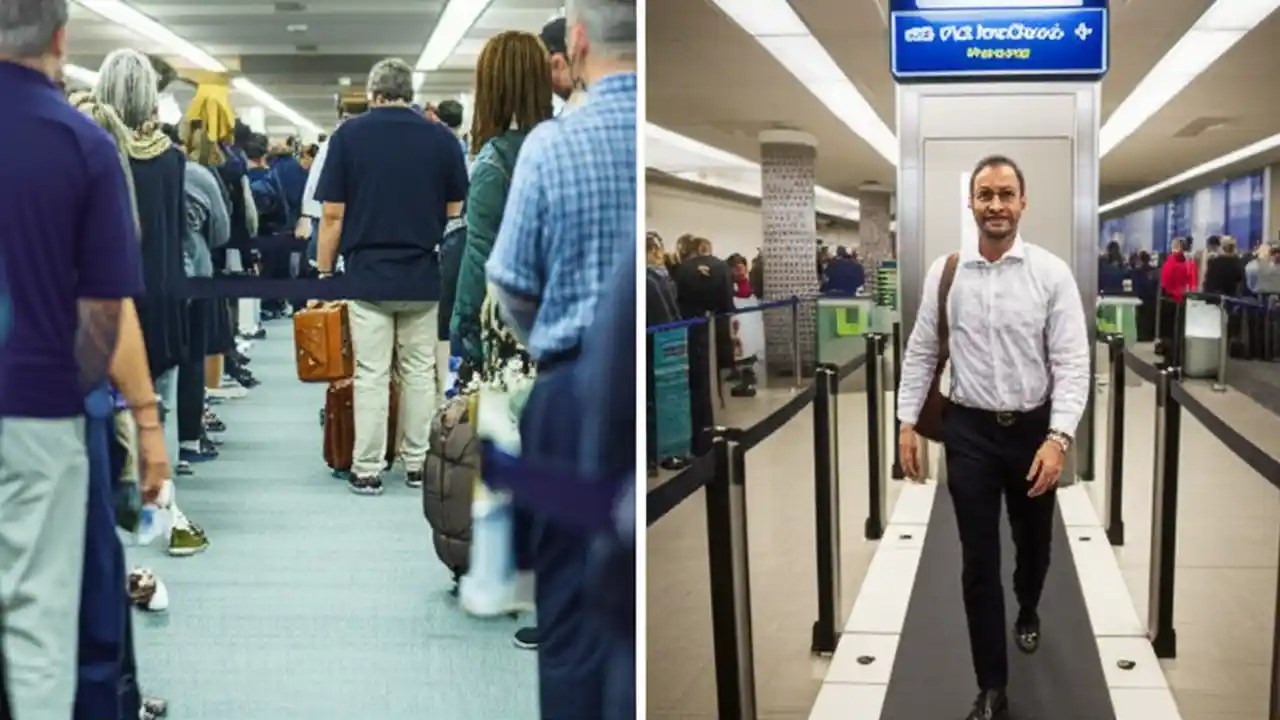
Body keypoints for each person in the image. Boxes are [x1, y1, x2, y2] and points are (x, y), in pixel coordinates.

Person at [0, 3, 168, 716]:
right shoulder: (82, 144)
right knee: (43, 618)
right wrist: (107, 407)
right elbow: (105, 308)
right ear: (62, 38)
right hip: (41, 412)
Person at [897, 155, 1089, 720]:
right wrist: (906, 422)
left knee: (1033, 545)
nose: (996, 205)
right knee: (978, 561)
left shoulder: (1050, 273)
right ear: (972, 202)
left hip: (1032, 432)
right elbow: (921, 350)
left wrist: (1058, 438)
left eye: (1006, 194)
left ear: (1023, 202)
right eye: (986, 194)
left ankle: (1027, 605)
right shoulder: (947, 273)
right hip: (970, 433)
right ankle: (992, 686)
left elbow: (1072, 362)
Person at [483, 0, 635, 713]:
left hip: (571, 397)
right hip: (644, 386)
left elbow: (512, 281)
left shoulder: (553, 144)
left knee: (571, 608)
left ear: (576, 41)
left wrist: (556, 339)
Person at [314, 57, 468, 495]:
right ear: (409, 94)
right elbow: (455, 208)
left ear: (374, 94)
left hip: (368, 274)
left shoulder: (348, 137)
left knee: (371, 372)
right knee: (420, 372)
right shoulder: (442, 139)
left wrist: (324, 273)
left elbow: (332, 215)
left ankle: (366, 468)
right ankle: (418, 463)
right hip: (422, 273)